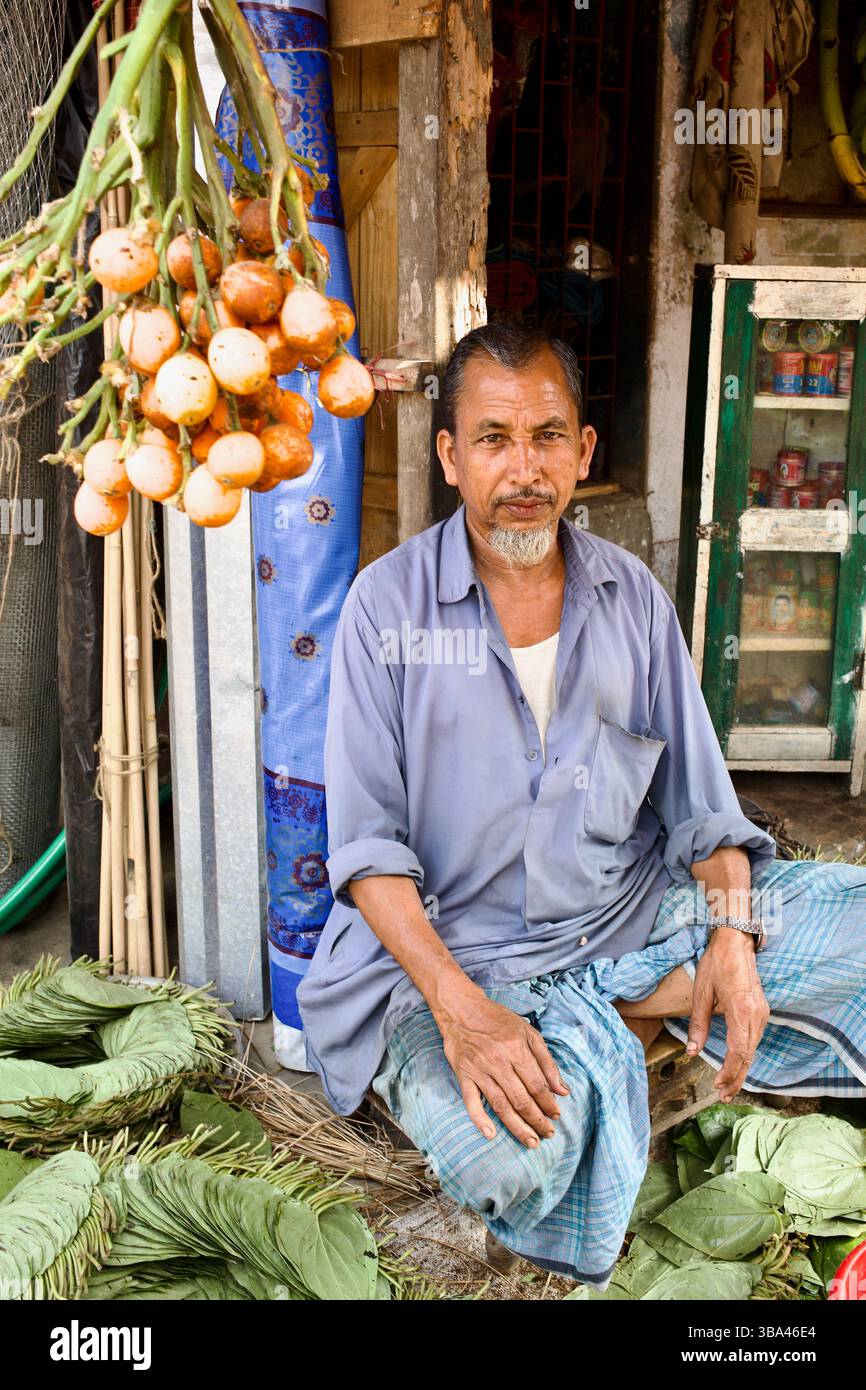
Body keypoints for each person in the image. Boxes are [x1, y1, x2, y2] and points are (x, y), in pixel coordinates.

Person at [298, 323, 866, 1286]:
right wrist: (465, 1014)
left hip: (624, 917)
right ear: (449, 456)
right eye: (492, 438)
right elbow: (367, 854)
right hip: (455, 959)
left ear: (584, 452)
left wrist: (730, 937)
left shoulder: (634, 600)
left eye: (548, 436)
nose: (524, 468)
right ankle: (640, 1008)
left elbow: (703, 810)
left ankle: (639, 996)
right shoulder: (383, 611)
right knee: (514, 1158)